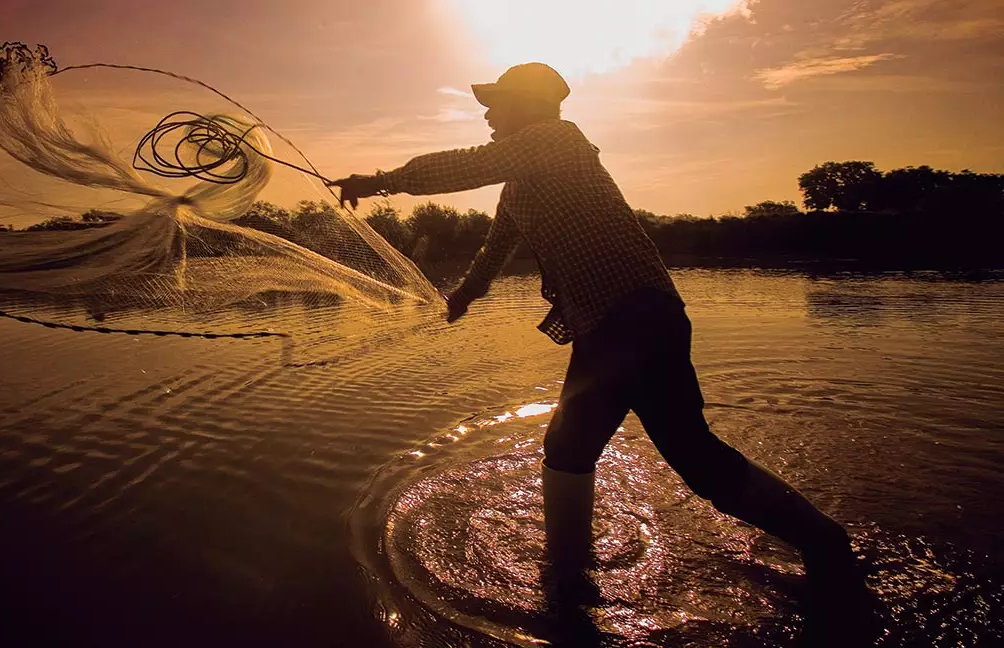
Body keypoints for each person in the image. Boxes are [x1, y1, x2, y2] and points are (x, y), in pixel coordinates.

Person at [328, 63, 864, 592]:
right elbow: (496, 249)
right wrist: (464, 295)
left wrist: (380, 182)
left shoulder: (555, 141)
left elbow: (467, 165)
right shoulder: (524, 180)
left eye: (498, 101)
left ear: (532, 105)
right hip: (621, 322)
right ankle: (572, 569)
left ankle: (567, 576)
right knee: (644, 451)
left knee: (612, 449)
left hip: (628, 318)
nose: (488, 112)